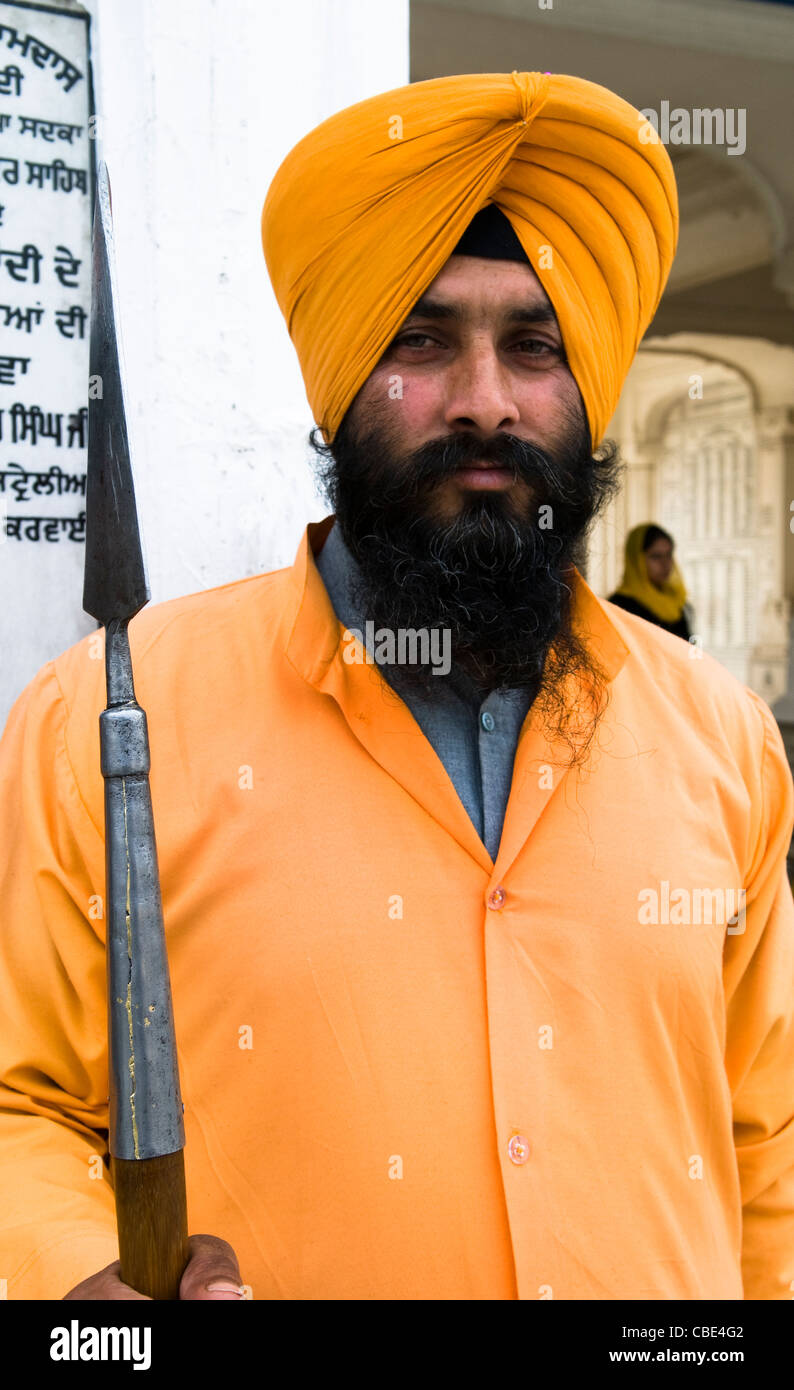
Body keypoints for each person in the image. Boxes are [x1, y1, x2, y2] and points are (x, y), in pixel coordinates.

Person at [1, 71, 793, 1302]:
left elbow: (764, 1142)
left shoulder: (723, 741)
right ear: (339, 382)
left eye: (532, 346)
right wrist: (72, 1282)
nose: (483, 402)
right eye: (422, 341)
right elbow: (19, 1103)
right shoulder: (109, 720)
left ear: (584, 396)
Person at [608, 522, 692, 640]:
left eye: (668, 554)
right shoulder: (620, 607)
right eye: (656, 556)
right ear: (637, 560)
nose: (665, 563)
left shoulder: (675, 601)